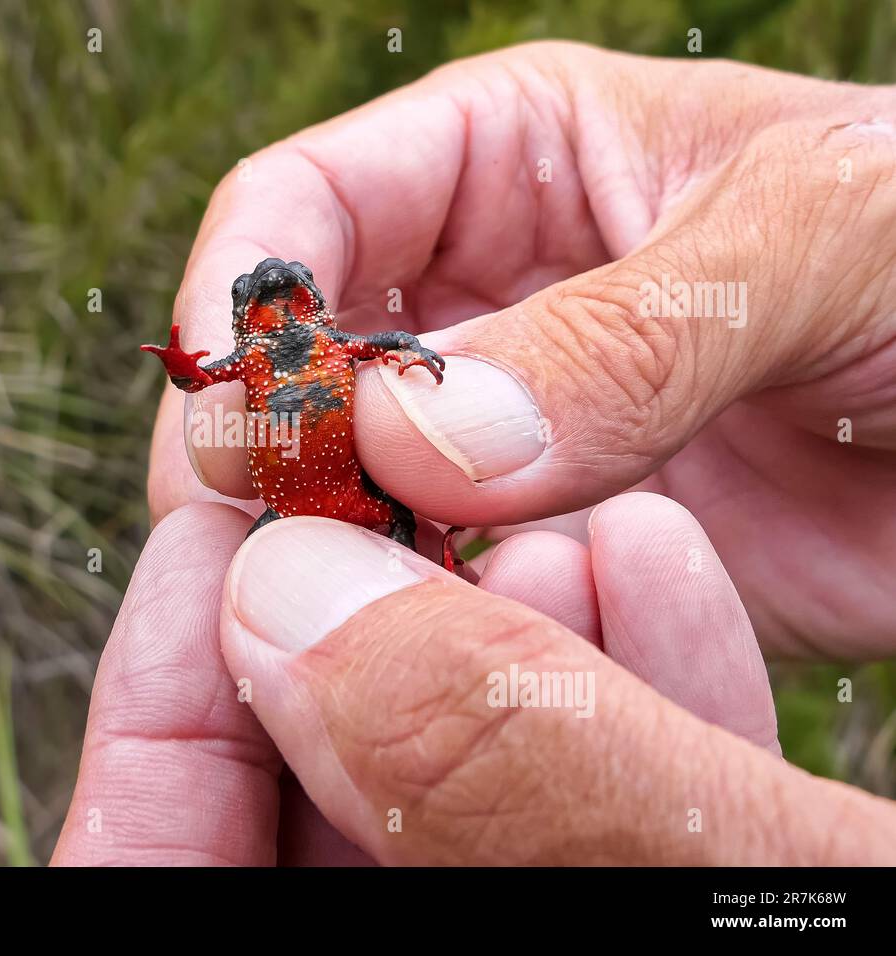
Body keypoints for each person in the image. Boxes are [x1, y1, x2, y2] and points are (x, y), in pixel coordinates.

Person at [52, 43, 896, 865]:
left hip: (360, 500)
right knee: (249, 563)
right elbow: (204, 380)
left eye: (286, 290)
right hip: (289, 509)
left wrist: (418, 355)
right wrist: (180, 365)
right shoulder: (252, 361)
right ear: (252, 315)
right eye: (261, 296)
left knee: (408, 521)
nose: (275, 298)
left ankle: (441, 573)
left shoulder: (328, 343)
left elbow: (383, 341)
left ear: (305, 301)